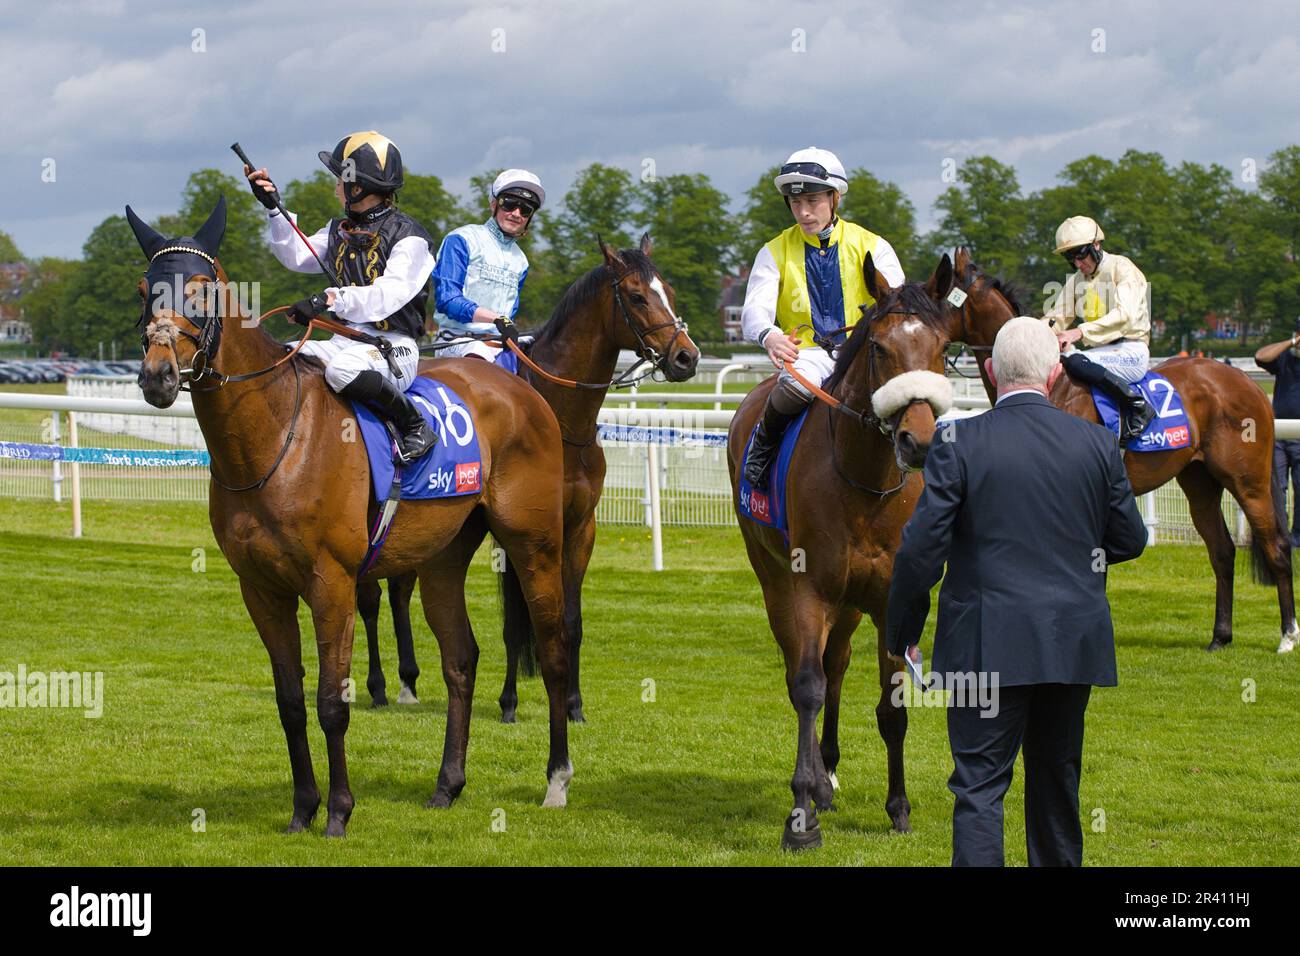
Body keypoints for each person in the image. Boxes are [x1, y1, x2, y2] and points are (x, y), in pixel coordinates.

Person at [885, 316, 1147, 867]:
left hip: (984, 644)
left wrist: (904, 631)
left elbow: (919, 553)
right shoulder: (1098, 442)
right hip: (1070, 641)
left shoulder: (957, 442)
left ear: (989, 371)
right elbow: (1130, 538)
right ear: (1054, 374)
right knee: (1056, 786)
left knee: (979, 789)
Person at [244, 130, 436, 463]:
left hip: (394, 347)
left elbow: (386, 296)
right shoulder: (339, 230)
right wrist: (274, 208)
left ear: (356, 187)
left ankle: (415, 425)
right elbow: (294, 254)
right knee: (282, 359)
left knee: (341, 371)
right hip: (347, 343)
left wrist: (329, 300)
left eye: (339, 179)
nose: (335, 187)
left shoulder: (410, 237)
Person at [739, 148, 905, 487]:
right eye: (795, 203)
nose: (803, 212)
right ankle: (762, 449)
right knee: (790, 390)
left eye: (812, 200)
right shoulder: (773, 251)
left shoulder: (873, 246)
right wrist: (770, 335)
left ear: (834, 197)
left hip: (863, 355)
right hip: (809, 356)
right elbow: (754, 310)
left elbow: (898, 303)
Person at [1044, 215, 1155, 441]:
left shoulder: (1122, 267)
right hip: (1100, 353)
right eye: (1071, 258)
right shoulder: (1076, 280)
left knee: (1074, 361)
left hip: (1131, 352)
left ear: (1096, 245)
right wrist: (1023, 331)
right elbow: (1056, 318)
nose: (1077, 263)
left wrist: (1079, 332)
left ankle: (1138, 406)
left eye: (1081, 254)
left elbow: (1125, 315)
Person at [431, 169, 544, 360]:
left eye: (525, 210)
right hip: (458, 342)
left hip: (500, 345)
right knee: (479, 354)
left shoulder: (521, 260)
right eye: (509, 204)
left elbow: (511, 313)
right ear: (494, 205)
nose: (516, 214)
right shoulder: (461, 238)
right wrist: (495, 319)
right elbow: (447, 299)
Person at [1255, 319, 1300, 548]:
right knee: (1276, 488)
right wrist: (1292, 342)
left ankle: (1298, 538)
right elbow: (1261, 356)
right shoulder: (1285, 358)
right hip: (1280, 436)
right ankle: (1280, 535)